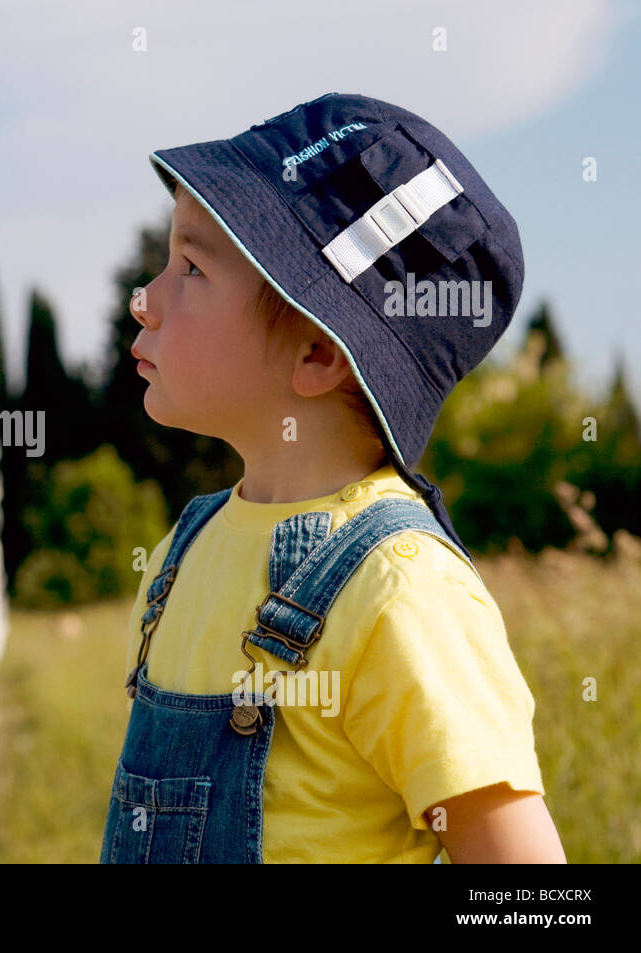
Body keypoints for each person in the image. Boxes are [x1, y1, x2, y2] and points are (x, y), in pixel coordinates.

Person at [102, 92, 565, 863]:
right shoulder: (192, 544)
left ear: (318, 351)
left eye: (191, 267)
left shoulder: (401, 592)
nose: (143, 299)